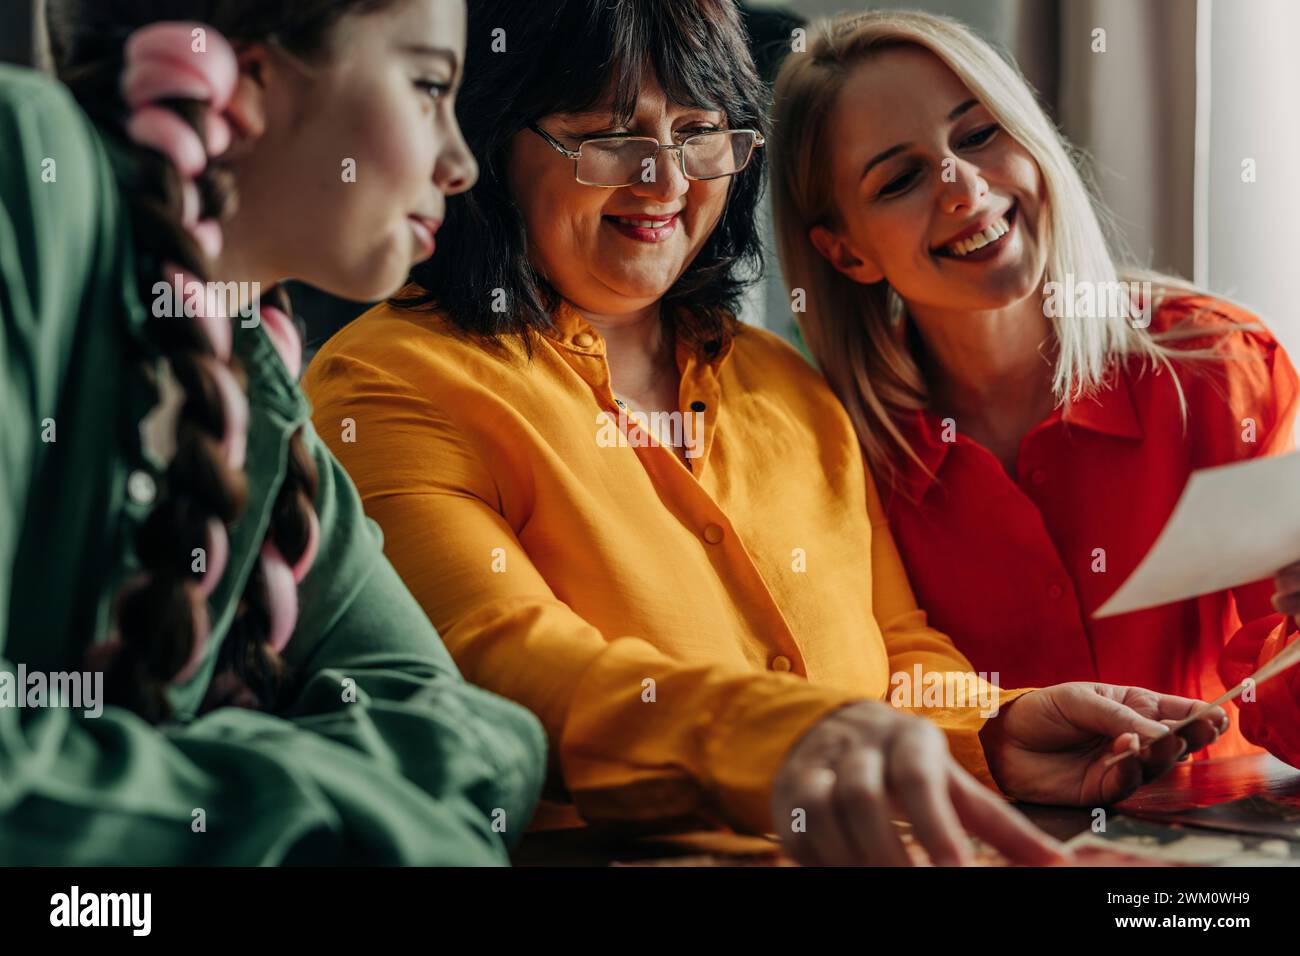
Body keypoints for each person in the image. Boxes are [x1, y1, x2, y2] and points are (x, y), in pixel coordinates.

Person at [304, 0, 1226, 867]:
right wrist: (784, 737)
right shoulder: (389, 382)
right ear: (492, 147)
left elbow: (898, 652)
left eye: (700, 132)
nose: (664, 179)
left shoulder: (787, 385)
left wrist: (989, 730)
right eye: (609, 137)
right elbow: (500, 659)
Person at [0, 0, 546, 864]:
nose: (461, 164)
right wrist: (309, 787)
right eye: (428, 85)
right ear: (250, 78)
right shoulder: (26, 164)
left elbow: (487, 742)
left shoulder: (252, 389)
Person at [769, 9, 1299, 769]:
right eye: (901, 178)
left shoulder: (1220, 369)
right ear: (846, 253)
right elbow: (873, 702)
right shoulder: (834, 448)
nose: (964, 189)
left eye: (980, 134)